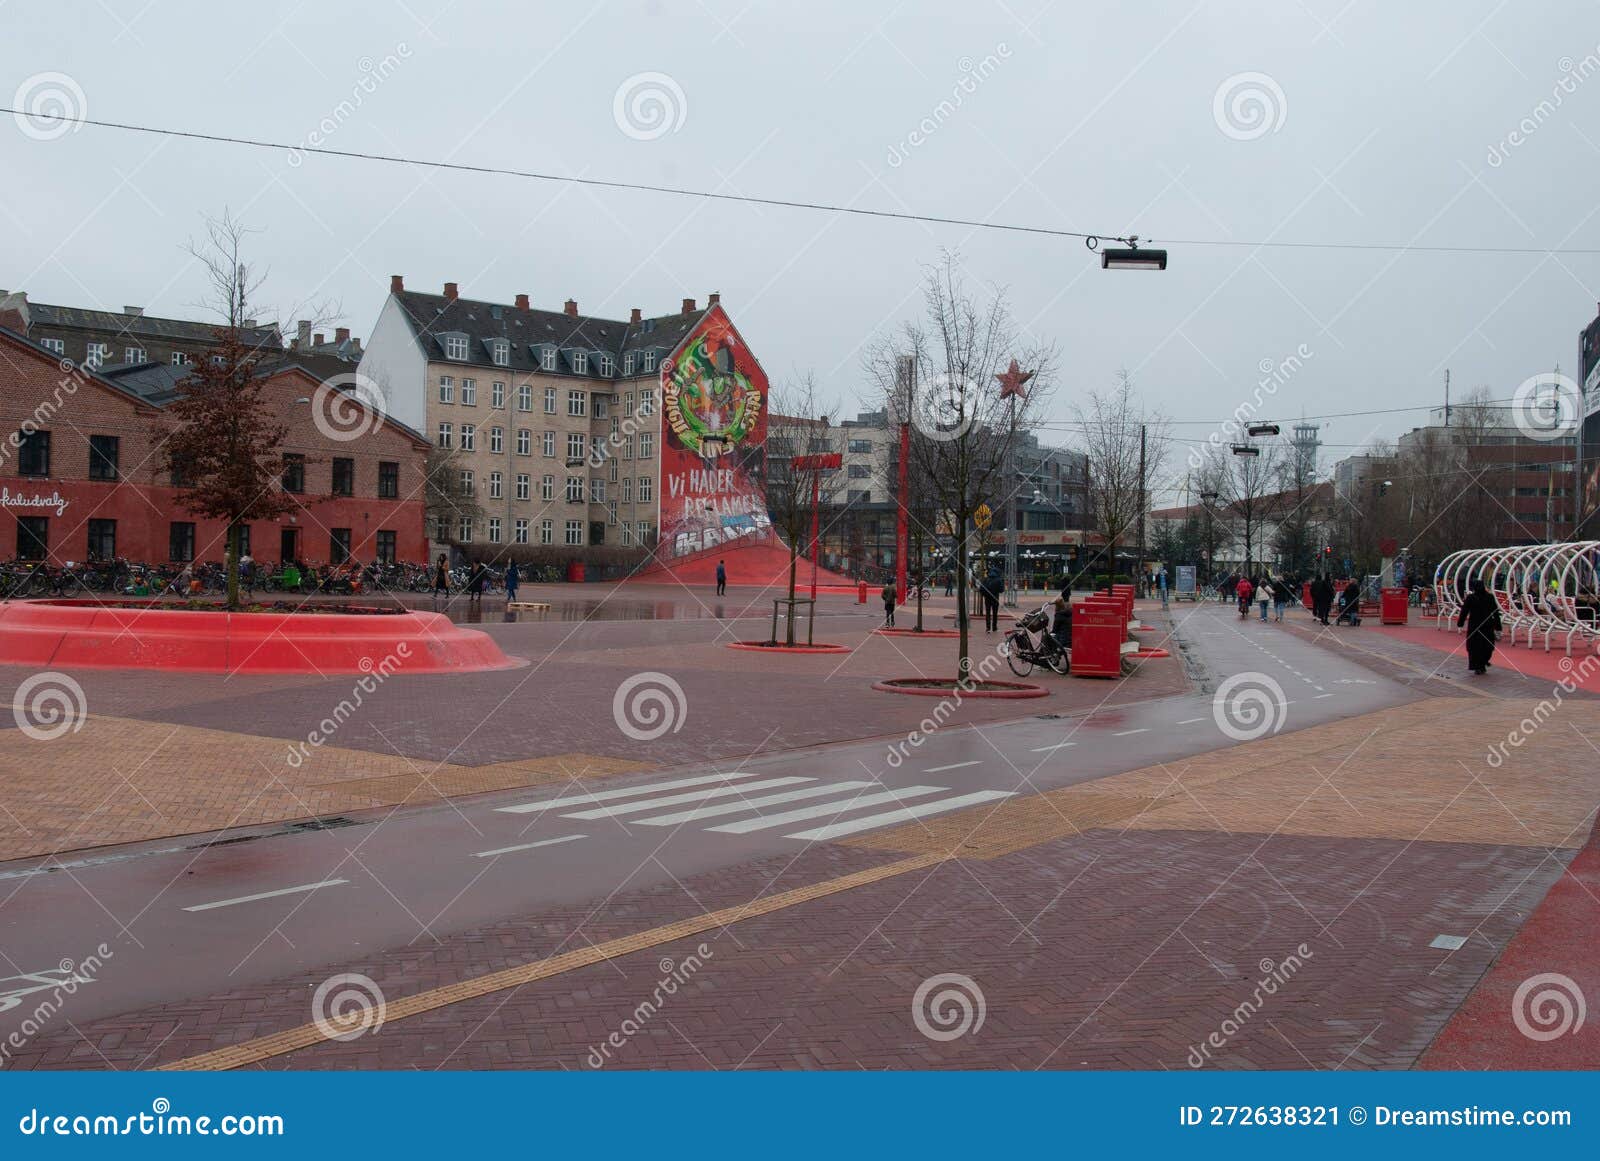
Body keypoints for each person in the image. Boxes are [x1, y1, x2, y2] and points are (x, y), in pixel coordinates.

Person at [1457, 577, 1501, 675]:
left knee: (1474, 647)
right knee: (1487, 646)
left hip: (1474, 625)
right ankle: (1483, 662)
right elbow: (1496, 612)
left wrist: (1460, 623)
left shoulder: (1470, 598)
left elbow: (1464, 611)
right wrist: (1498, 626)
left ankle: (1477, 665)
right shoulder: (1490, 597)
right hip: (1488, 625)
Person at [982, 566, 1002, 632]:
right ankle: (994, 627)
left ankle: (988, 628)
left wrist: (985, 595)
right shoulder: (998, 580)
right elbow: (1001, 590)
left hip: (987, 599)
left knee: (988, 613)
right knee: (995, 614)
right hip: (995, 598)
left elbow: (981, 589)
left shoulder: (985, 579)